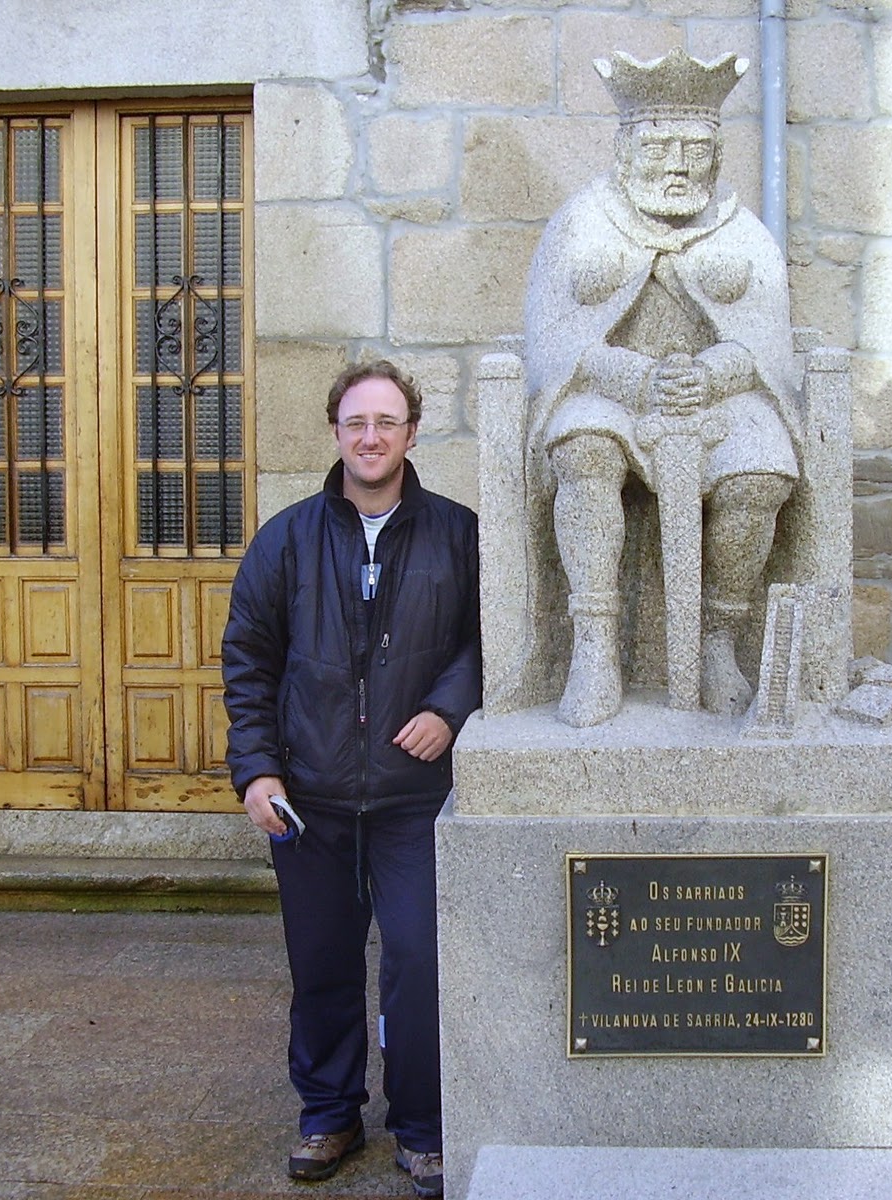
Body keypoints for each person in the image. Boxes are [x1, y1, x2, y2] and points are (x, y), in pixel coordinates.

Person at [222, 360, 481, 1199]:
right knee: (323, 963)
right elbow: (249, 664)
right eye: (356, 422)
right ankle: (328, 1111)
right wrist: (257, 772)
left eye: (388, 422)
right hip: (312, 799)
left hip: (416, 799)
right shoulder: (286, 540)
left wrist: (448, 707)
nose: (371, 437)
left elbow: (496, 641)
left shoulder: (458, 535)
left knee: (417, 960)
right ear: (336, 431)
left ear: (412, 431)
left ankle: (423, 1126)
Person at [523, 48, 804, 727]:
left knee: (762, 472)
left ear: (717, 155)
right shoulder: (581, 223)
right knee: (582, 443)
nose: (678, 166)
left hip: (719, 395)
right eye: (659, 148)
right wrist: (631, 375)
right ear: (624, 151)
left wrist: (710, 374)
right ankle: (594, 645)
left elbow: (769, 340)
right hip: (611, 388)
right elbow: (552, 337)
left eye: (694, 149)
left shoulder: (744, 232)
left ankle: (718, 639)